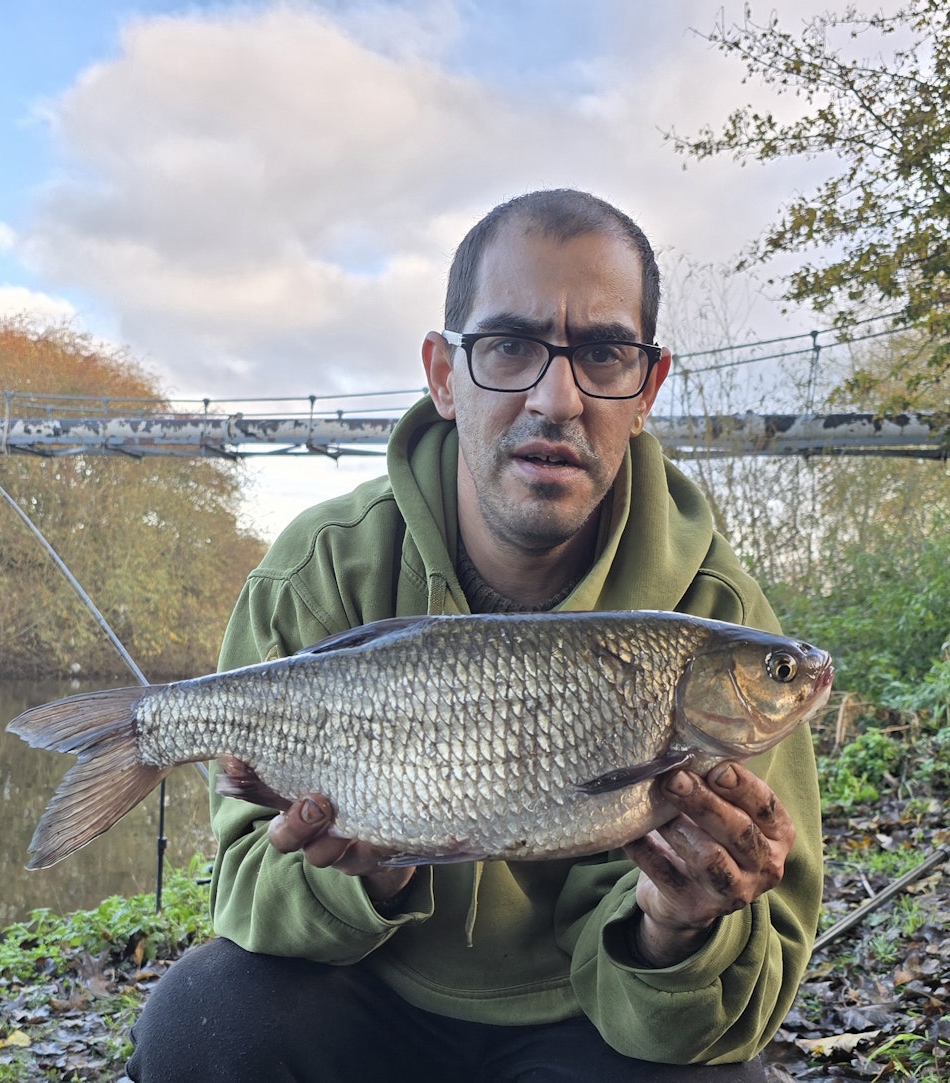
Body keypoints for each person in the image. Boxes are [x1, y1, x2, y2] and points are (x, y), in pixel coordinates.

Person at [126, 189, 823, 1082]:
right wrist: (370, 870)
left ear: (647, 389)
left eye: (604, 353)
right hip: (367, 997)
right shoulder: (319, 569)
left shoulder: (718, 616)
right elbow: (243, 892)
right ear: (444, 374)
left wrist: (675, 929)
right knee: (201, 1021)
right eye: (510, 345)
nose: (557, 398)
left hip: (593, 1021)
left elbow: (747, 1002)